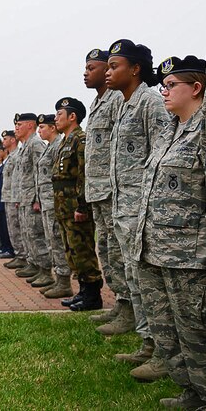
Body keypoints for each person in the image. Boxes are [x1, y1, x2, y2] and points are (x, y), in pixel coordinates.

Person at [132, 56, 206, 405]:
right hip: (155, 250)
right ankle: (192, 391)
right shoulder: (170, 128)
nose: (164, 92)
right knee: (168, 330)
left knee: (202, 332)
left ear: (196, 88)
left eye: (171, 86)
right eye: (162, 86)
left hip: (191, 255)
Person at [105, 39, 169, 378]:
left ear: (135, 69)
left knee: (150, 283)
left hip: (143, 211)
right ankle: (148, 342)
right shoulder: (122, 104)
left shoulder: (150, 103)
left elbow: (160, 159)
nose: (108, 72)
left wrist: (149, 207)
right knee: (135, 277)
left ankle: (163, 350)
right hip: (123, 208)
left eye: (115, 66)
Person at [83, 48, 132, 333]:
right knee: (107, 249)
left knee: (118, 250)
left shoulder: (116, 100)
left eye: (92, 67)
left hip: (113, 189)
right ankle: (120, 304)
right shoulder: (97, 102)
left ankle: (130, 309)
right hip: (98, 189)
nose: (86, 73)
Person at [51, 99, 103, 311]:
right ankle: (83, 291)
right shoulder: (65, 140)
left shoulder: (80, 139)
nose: (56, 118)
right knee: (72, 251)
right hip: (64, 206)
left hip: (75, 207)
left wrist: (82, 206)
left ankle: (93, 296)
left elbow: (84, 174)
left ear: (72, 117)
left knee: (83, 251)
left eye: (59, 113)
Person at [35, 113, 72, 297]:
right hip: (47, 201)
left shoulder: (58, 145)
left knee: (57, 241)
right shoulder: (49, 147)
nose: (39, 130)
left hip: (55, 201)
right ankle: (59, 280)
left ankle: (64, 282)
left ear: (52, 128)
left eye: (42, 127)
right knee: (52, 241)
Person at [13, 113, 52, 283]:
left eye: (19, 124)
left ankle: (45, 271)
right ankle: (34, 264)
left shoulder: (35, 144)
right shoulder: (25, 146)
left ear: (30, 125)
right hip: (25, 198)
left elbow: (41, 172)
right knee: (28, 234)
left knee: (37, 235)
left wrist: (37, 198)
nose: (16, 128)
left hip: (33, 198)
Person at [1, 128, 26, 267]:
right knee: (12, 228)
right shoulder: (10, 156)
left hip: (16, 197)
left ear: (12, 140)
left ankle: (23, 256)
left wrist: (18, 196)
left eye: (5, 139)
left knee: (18, 227)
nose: (3, 141)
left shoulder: (17, 155)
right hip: (9, 196)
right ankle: (19, 254)